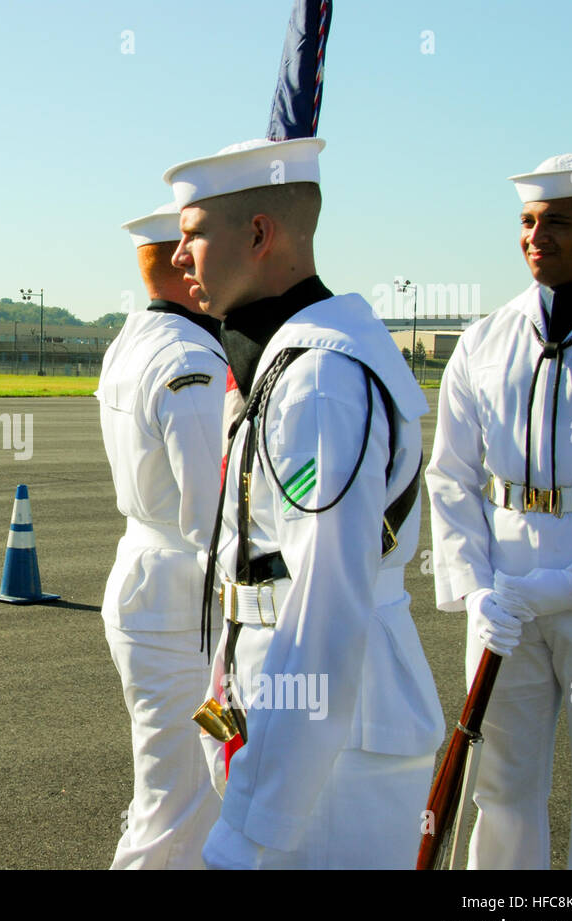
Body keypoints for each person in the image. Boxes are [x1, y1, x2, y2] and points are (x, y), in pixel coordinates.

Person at [165, 137, 442, 868]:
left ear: (258, 234)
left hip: (334, 744)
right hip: (301, 722)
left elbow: (324, 610)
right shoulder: (292, 359)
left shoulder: (320, 381)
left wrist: (259, 822)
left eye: (192, 233)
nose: (178, 257)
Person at [426, 153, 572, 869]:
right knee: (500, 789)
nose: (535, 237)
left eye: (558, 223)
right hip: (504, 595)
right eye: (527, 222)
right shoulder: (486, 338)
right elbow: (449, 475)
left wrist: (571, 585)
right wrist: (476, 589)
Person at [96, 200, 228, 868]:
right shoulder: (188, 356)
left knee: (175, 801)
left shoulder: (134, 338)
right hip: (184, 607)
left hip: (151, 583)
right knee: (180, 810)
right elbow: (215, 512)